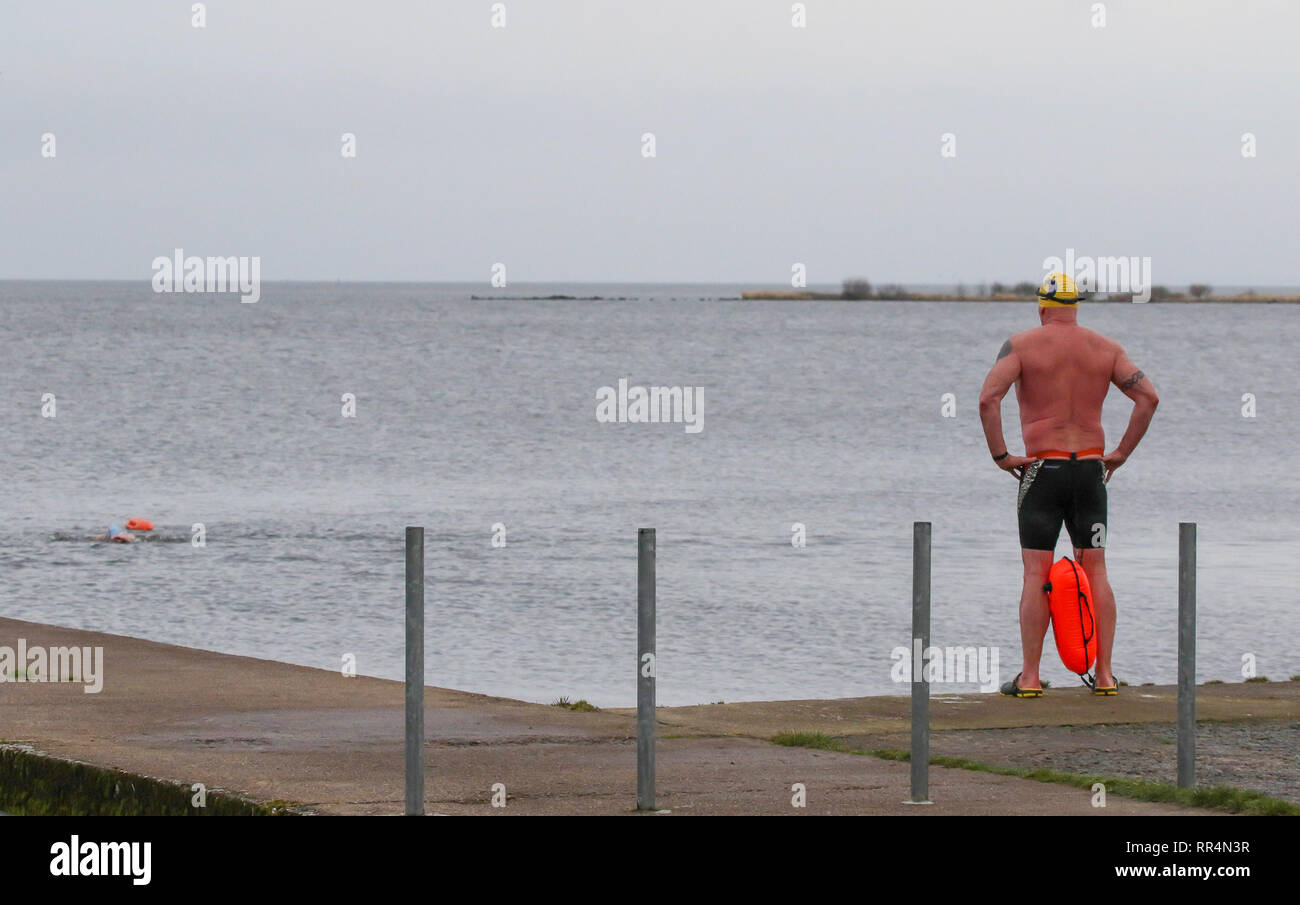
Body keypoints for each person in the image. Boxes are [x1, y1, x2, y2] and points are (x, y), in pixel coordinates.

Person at [978, 272, 1159, 697]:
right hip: (1090, 472)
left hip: (1042, 470)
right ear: (1076, 307)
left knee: (1036, 573)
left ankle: (1029, 678)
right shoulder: (1106, 348)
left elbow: (988, 399)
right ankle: (1105, 675)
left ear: (1042, 307)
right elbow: (1148, 398)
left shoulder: (1021, 345)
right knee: (1096, 569)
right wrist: (1121, 453)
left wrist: (1001, 456)